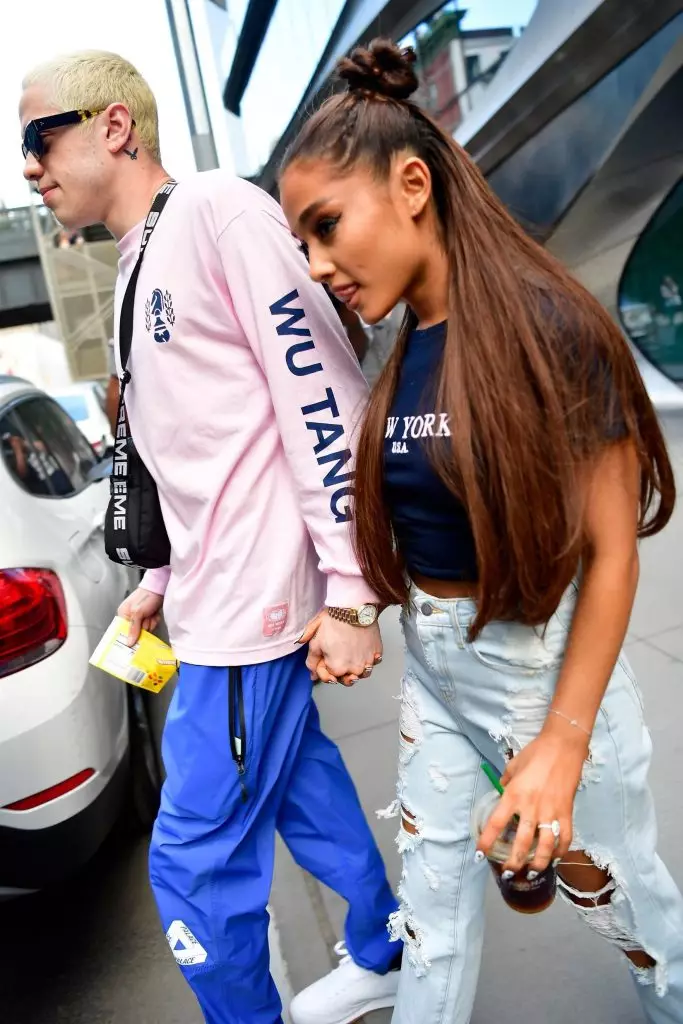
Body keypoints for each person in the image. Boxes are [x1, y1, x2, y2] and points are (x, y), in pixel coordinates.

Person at [280, 39, 683, 1024]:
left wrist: (559, 739)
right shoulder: (397, 342)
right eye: (300, 242)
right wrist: (356, 605)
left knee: (631, 915)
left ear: (410, 184)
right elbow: (420, 508)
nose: (315, 264)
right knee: (433, 922)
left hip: (541, 675)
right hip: (434, 672)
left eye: (324, 227)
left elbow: (610, 556)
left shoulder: (555, 327)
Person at [19, 50, 403, 1024]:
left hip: (252, 602)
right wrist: (156, 578)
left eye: (39, 138)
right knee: (295, 781)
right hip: (210, 593)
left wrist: (351, 588)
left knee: (190, 861)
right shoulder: (138, 258)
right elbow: (194, 455)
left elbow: (321, 398)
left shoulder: (219, 214)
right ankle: (379, 945)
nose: (28, 166)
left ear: (114, 127)